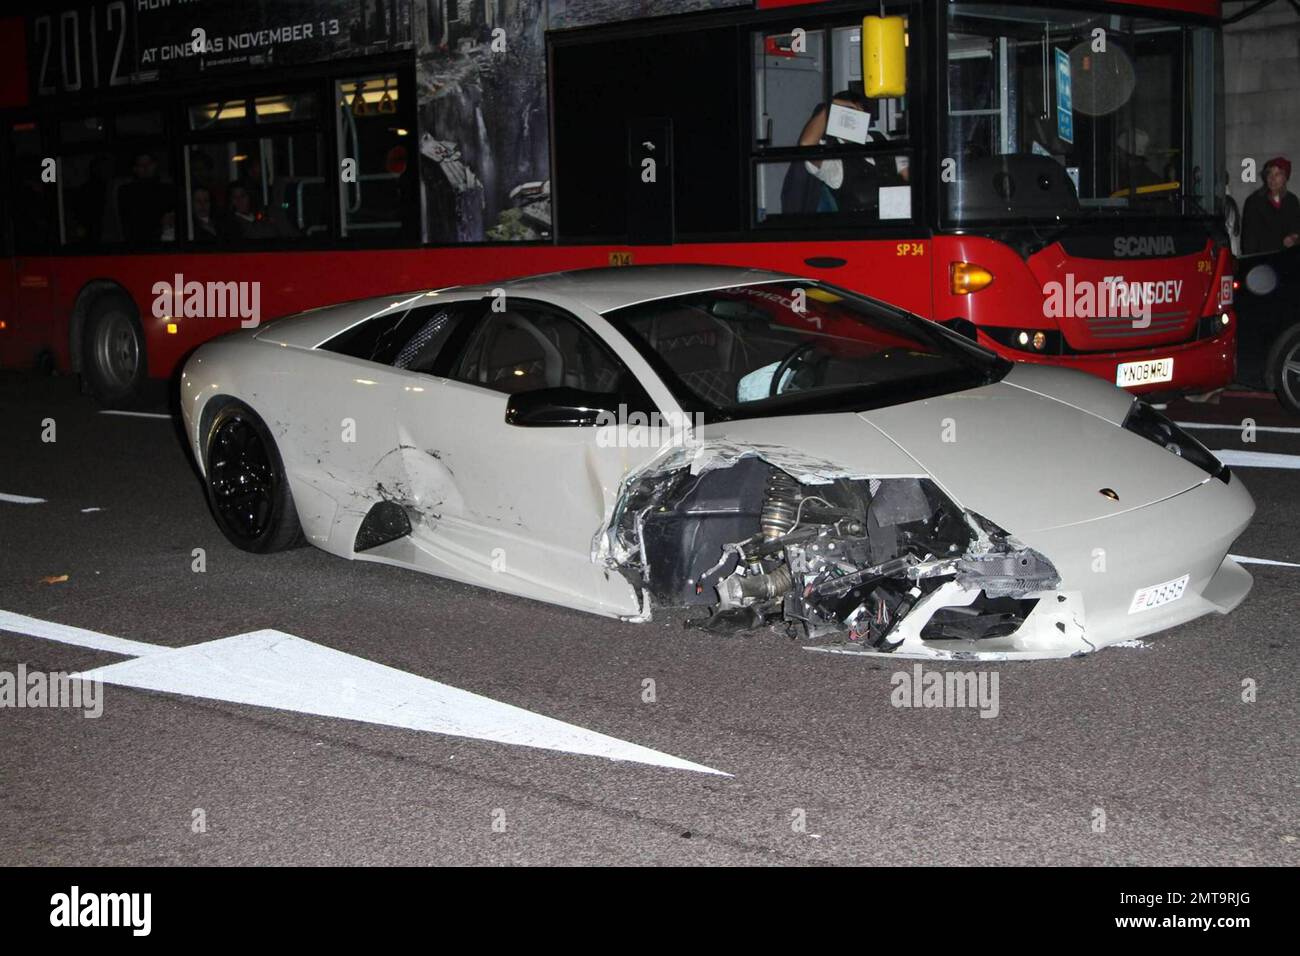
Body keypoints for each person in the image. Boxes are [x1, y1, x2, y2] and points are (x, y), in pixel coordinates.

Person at [780, 90, 903, 215]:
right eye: (847, 114)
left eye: (858, 113)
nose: (853, 120)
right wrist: (830, 105)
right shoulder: (834, 157)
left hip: (898, 220)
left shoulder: (881, 138)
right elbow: (807, 146)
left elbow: (906, 174)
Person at [1241, 156, 1300, 255]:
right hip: (1263, 259)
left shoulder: (1292, 201)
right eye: (1269, 174)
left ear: (1285, 178)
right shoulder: (1254, 202)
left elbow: (1296, 228)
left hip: (1288, 257)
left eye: (1277, 174)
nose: (1272, 179)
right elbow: (1248, 238)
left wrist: (1294, 238)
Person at [119, 152, 173, 244]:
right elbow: (128, 221)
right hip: (136, 242)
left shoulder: (167, 189)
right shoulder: (126, 191)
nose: (145, 167)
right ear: (135, 169)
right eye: (141, 165)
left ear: (155, 165)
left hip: (163, 240)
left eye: (149, 164)